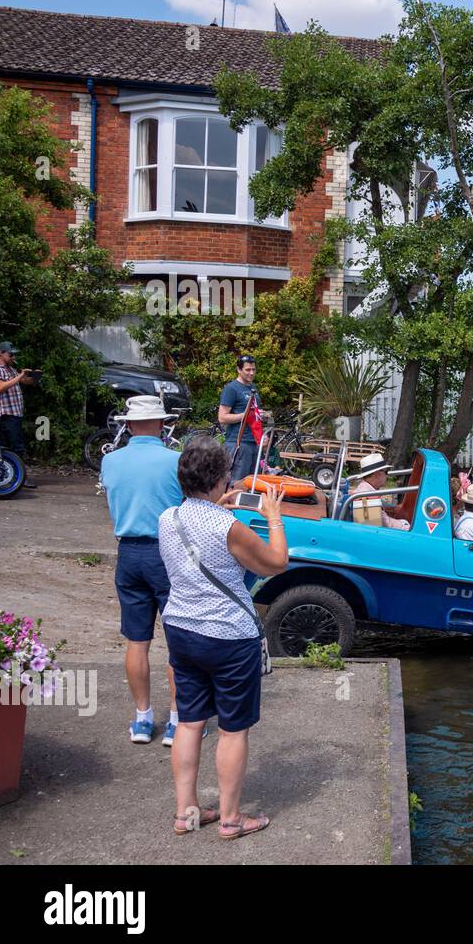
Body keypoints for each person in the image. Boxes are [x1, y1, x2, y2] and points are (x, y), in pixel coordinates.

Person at [157, 438, 288, 840]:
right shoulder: (228, 526)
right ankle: (231, 819)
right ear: (220, 479)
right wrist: (274, 516)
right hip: (229, 637)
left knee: (189, 721)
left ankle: (187, 813)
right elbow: (277, 562)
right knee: (233, 729)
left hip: (180, 628)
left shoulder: (167, 518)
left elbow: (200, 539)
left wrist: (215, 504)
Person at [99, 396, 185, 745]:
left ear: (128, 425)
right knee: (179, 640)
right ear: (162, 424)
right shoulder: (175, 460)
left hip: (128, 552)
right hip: (167, 551)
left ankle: (142, 719)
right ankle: (179, 720)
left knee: (137, 641)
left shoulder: (110, 461)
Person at [0, 340, 38, 489]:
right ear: (1, 353)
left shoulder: (10, 369)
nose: (13, 357)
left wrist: (32, 377)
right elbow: (0, 387)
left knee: (7, 446)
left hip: (15, 413)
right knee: (16, 446)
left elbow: (25, 381)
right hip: (6, 414)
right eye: (11, 354)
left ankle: (9, 477)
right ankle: (21, 478)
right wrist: (20, 376)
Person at [218, 355, 261, 483]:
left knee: (254, 484)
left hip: (254, 442)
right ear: (239, 369)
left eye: (253, 369)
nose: (251, 373)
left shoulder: (253, 388)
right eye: (248, 370)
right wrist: (246, 415)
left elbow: (254, 415)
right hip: (238, 444)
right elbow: (222, 417)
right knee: (236, 484)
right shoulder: (231, 389)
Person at [352, 452, 409, 530]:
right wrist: (405, 525)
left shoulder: (366, 491)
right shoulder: (366, 497)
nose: (387, 475)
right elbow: (376, 528)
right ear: (378, 474)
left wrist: (394, 508)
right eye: (386, 472)